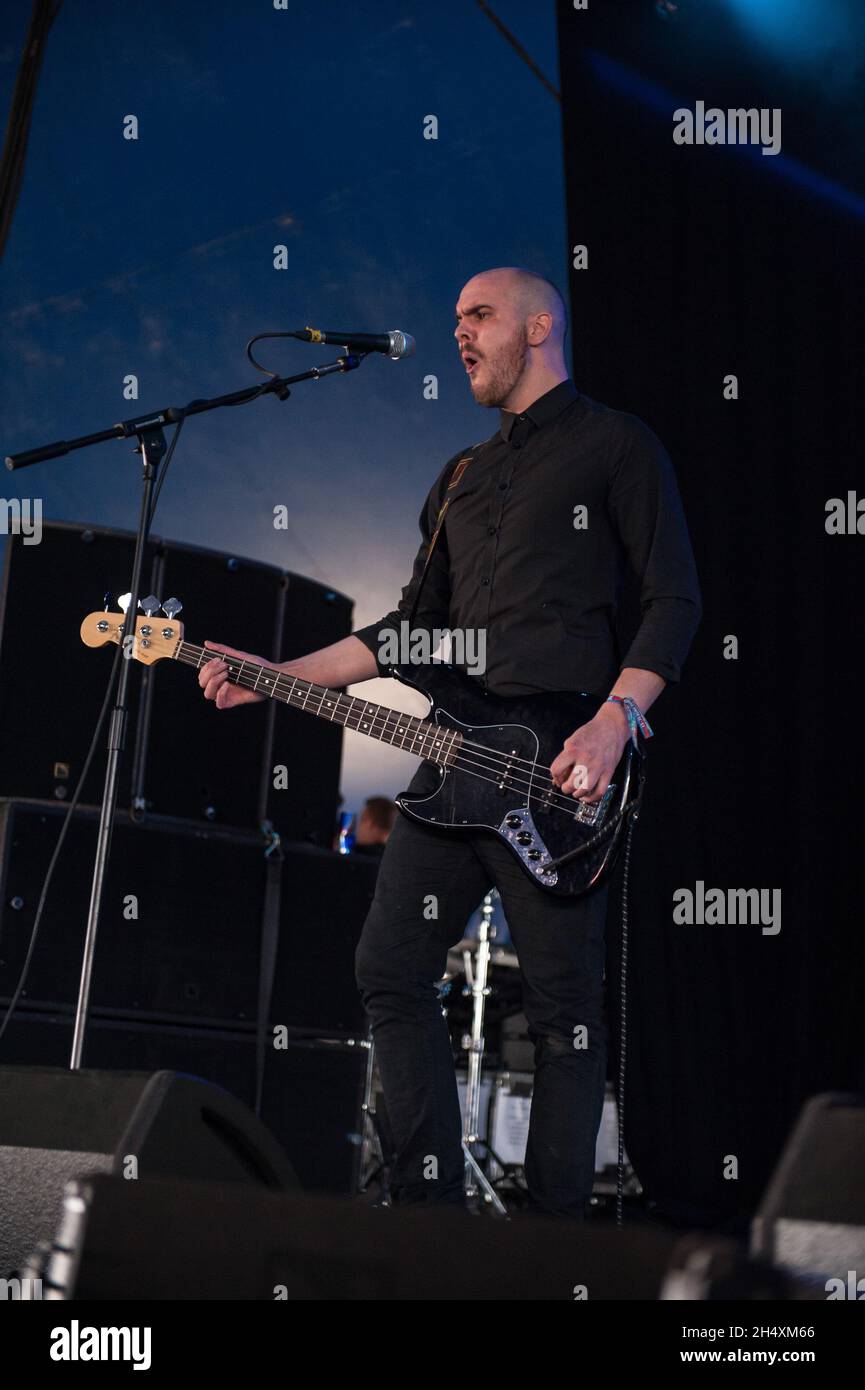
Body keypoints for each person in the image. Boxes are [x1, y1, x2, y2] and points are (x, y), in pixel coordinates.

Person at [198, 266, 701, 1218]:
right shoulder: (460, 478)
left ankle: (552, 1255)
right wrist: (272, 672)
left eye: (478, 315)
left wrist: (614, 719)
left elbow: (675, 599)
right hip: (449, 762)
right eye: (456, 318)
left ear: (539, 325)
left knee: (563, 1018)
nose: (460, 333)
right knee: (387, 969)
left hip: (560, 765)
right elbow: (409, 631)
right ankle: (426, 1221)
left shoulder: (615, 445)